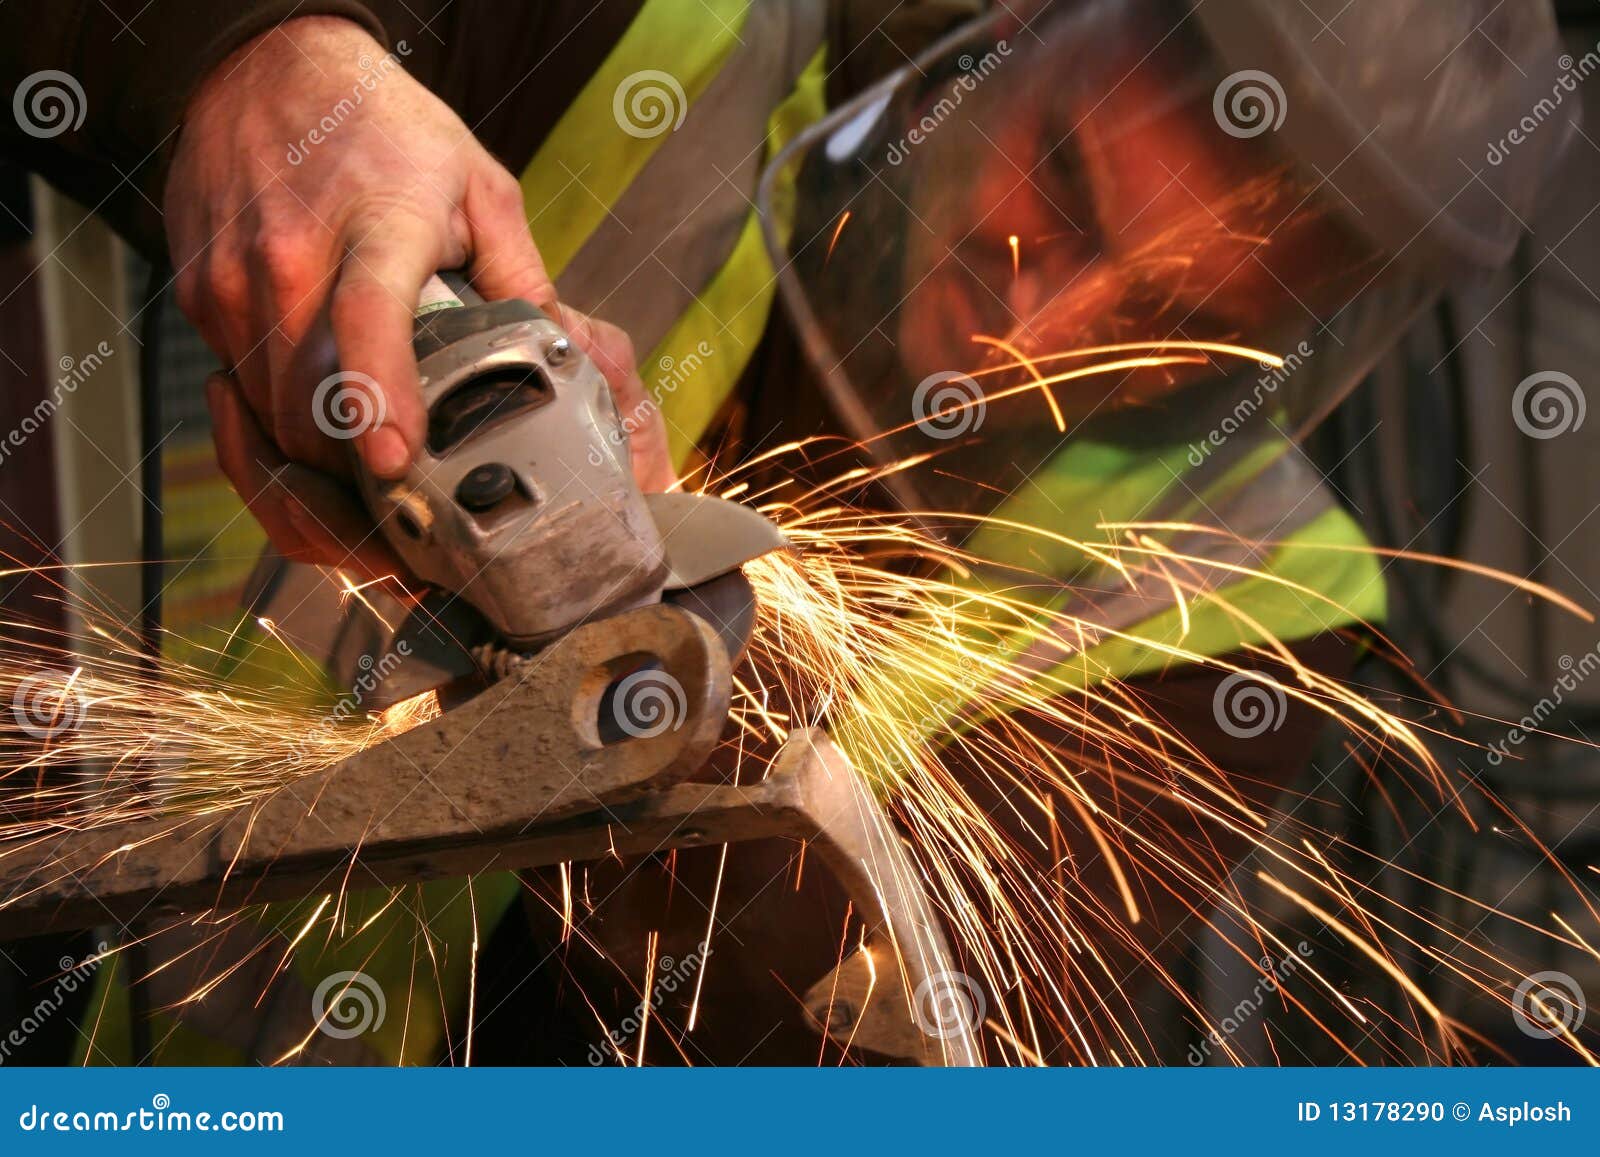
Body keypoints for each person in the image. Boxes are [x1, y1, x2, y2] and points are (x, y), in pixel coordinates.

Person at [0, 0, 1570, 1064]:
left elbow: (854, 1059)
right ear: (1021, 17)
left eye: (1168, 319)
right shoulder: (662, 39)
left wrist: (668, 757)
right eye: (1066, 192)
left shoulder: (1242, 622)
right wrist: (258, 65)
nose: (1039, 322)